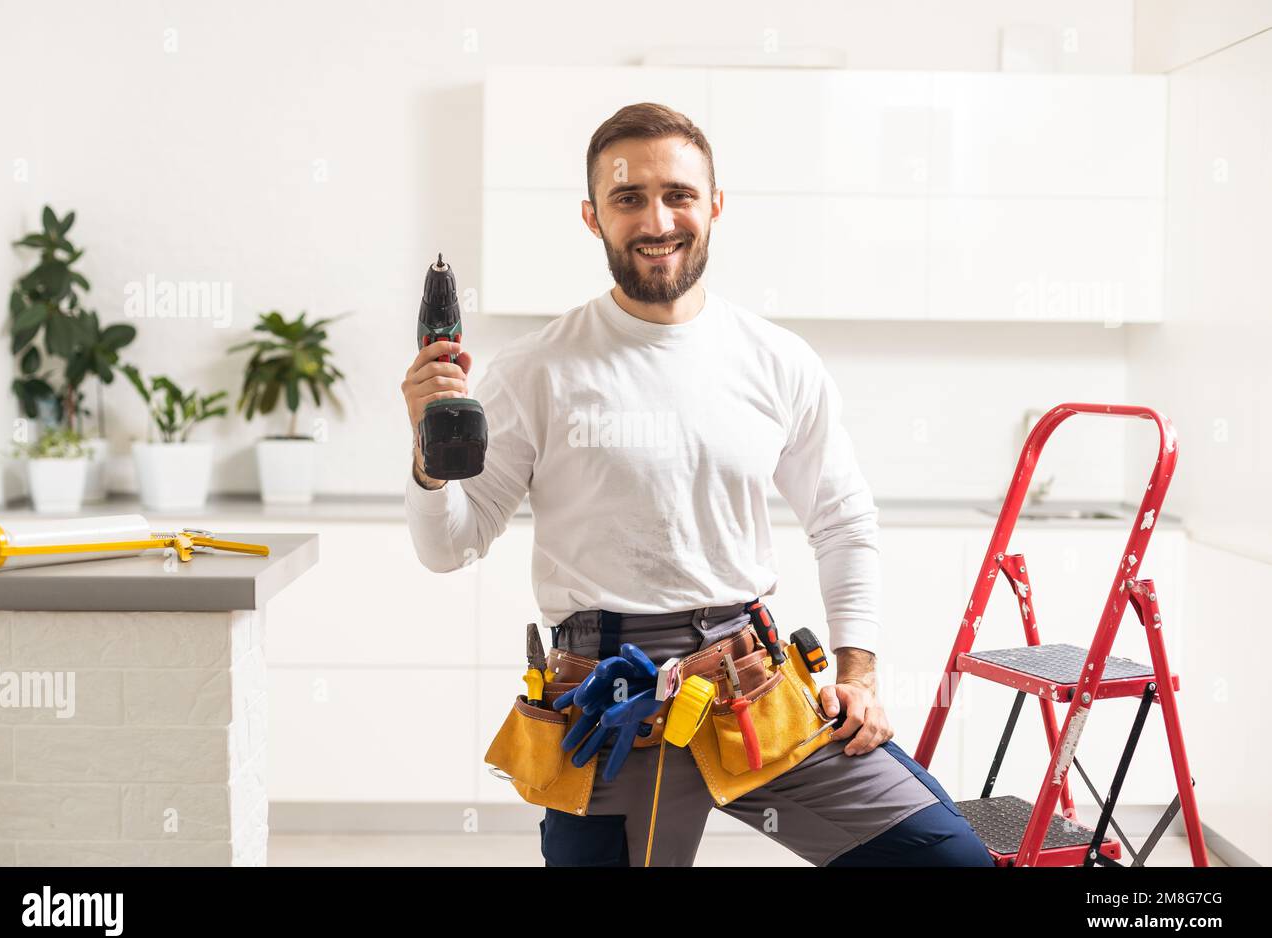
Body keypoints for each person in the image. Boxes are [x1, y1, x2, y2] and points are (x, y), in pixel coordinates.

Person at [401, 102, 992, 867]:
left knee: (951, 861)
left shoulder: (776, 360)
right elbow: (449, 547)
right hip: (609, 704)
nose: (657, 219)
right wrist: (426, 452)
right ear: (593, 217)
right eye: (627, 197)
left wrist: (859, 673)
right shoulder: (534, 369)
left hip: (752, 683)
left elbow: (842, 521)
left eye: (678, 193)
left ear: (713, 204)